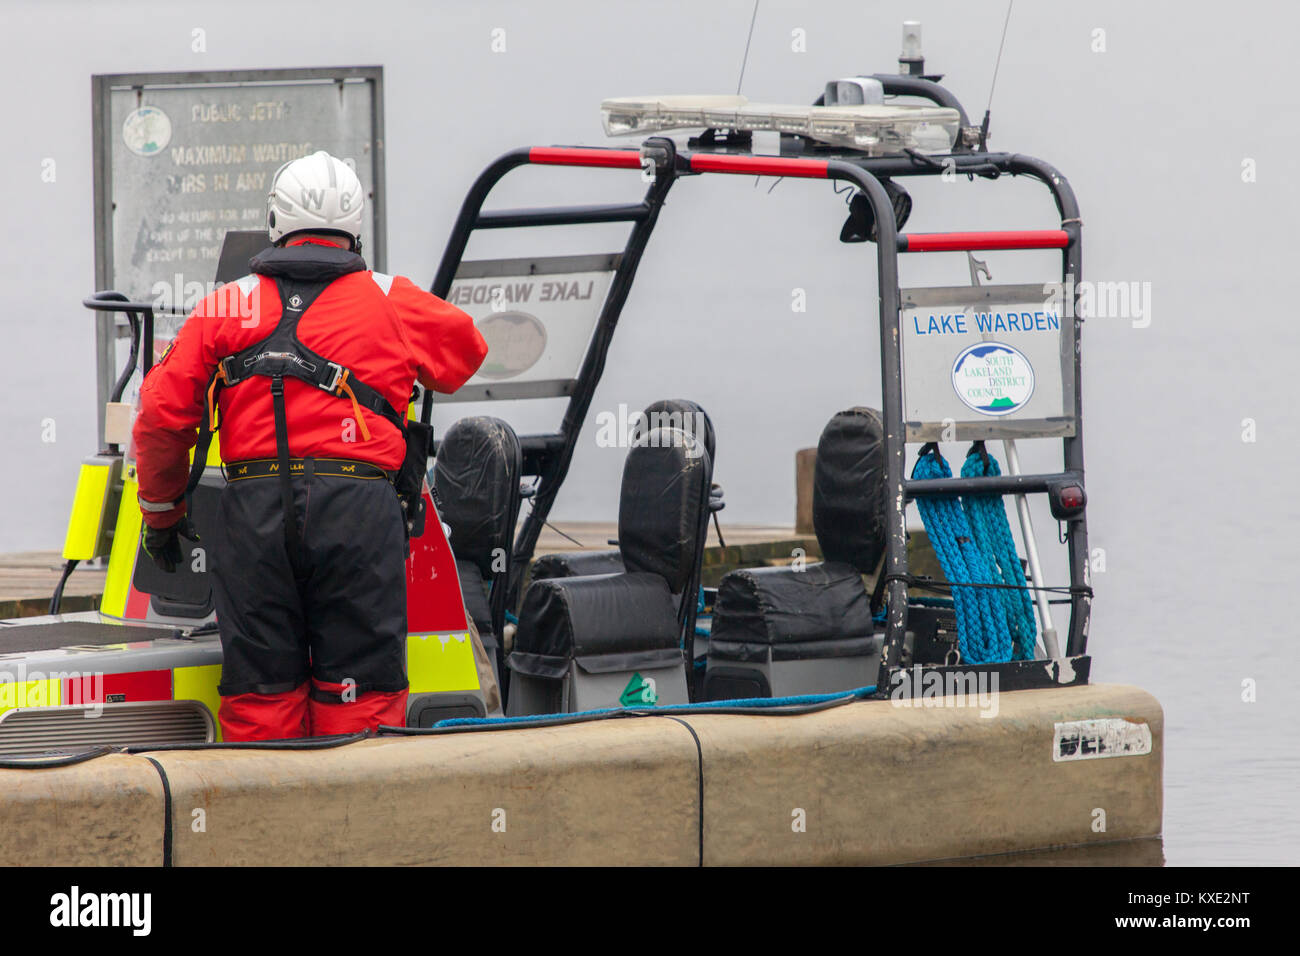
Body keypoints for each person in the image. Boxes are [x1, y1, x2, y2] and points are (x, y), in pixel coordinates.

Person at [132, 150, 488, 740]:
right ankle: (355, 818)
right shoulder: (393, 299)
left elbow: (160, 416)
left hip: (252, 515)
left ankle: (265, 822)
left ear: (276, 220)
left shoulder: (225, 306)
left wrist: (163, 514)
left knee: (260, 698)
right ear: (355, 225)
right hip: (358, 515)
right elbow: (466, 354)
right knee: (361, 700)